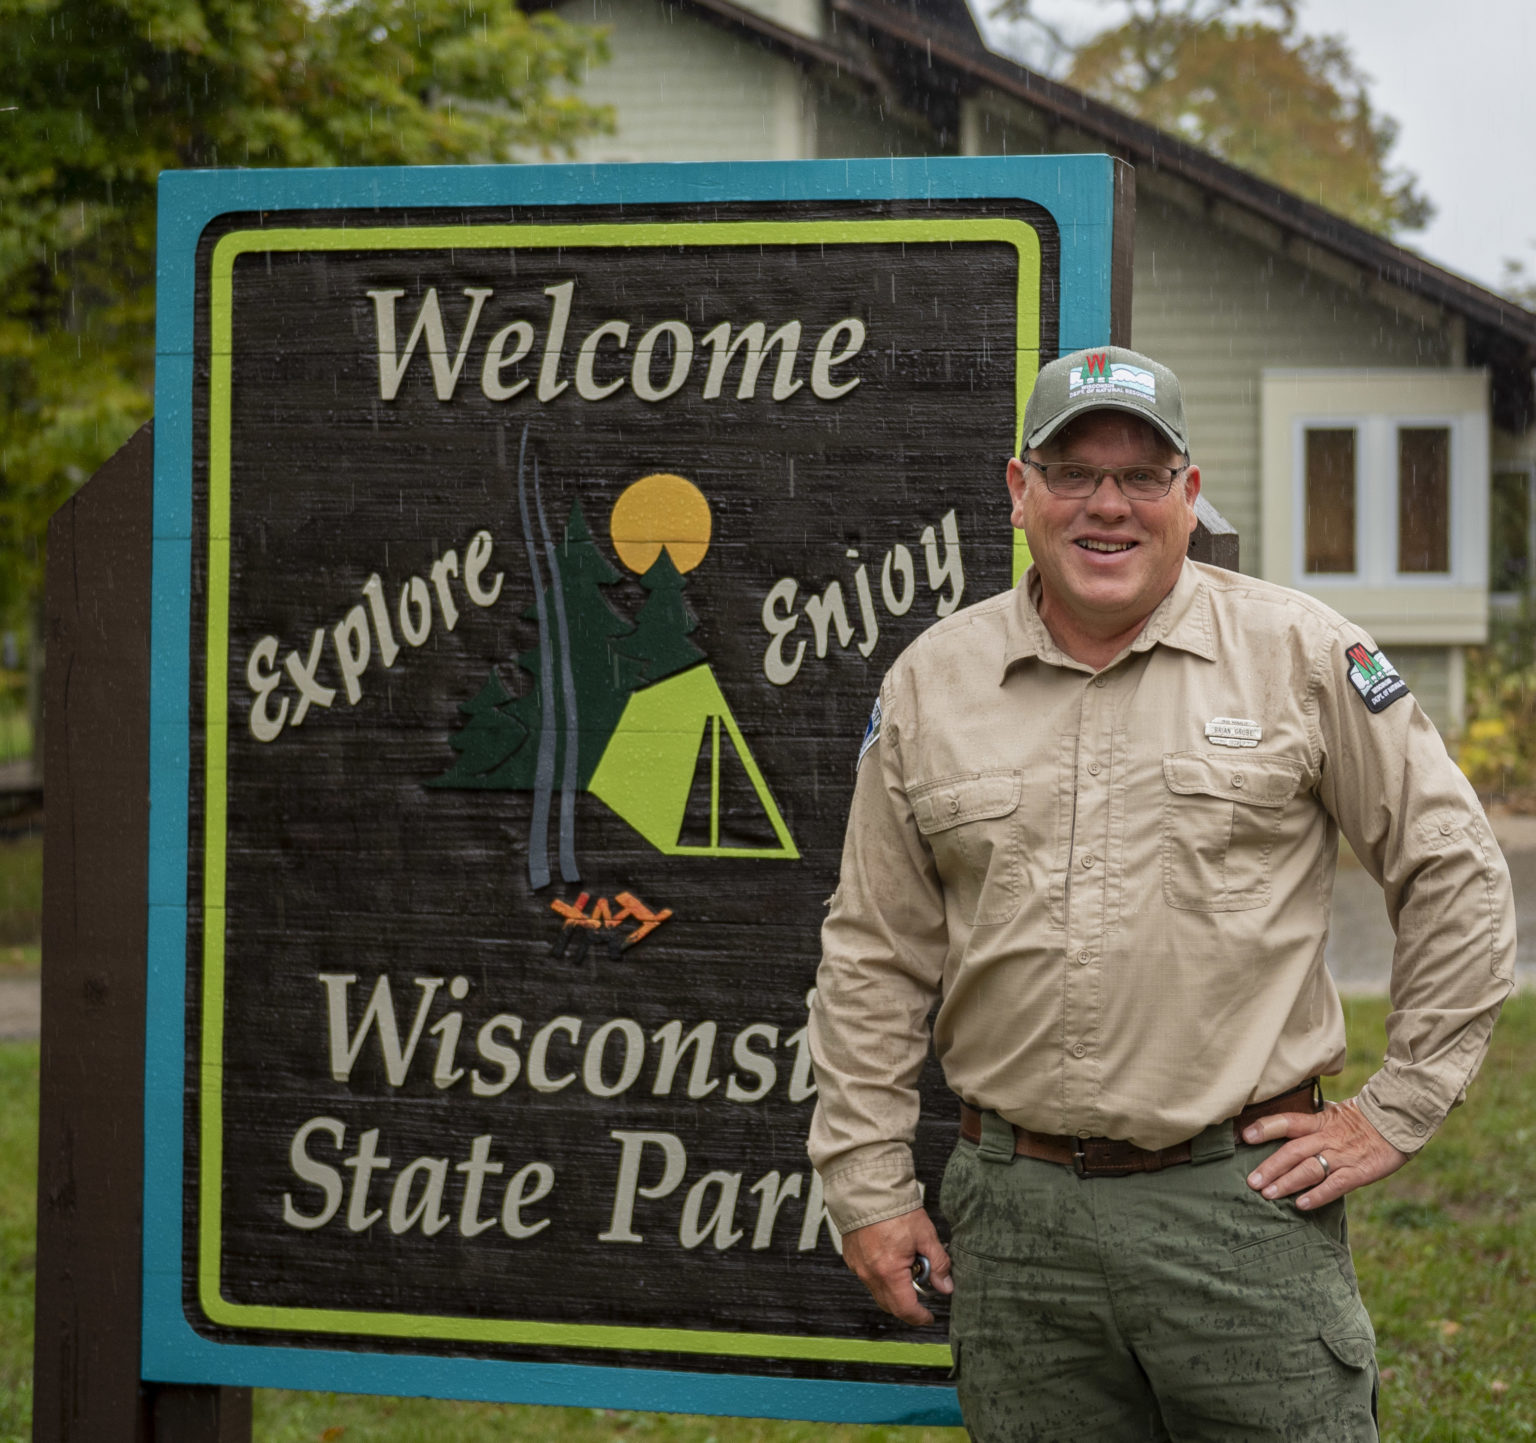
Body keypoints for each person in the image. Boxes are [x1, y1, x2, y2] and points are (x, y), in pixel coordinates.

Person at [807, 346, 1515, 1442]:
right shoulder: (931, 685)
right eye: (1074, 472)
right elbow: (873, 953)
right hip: (1016, 1220)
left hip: (1241, 1214)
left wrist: (1401, 1108)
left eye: (1143, 476)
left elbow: (1453, 869)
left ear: (1189, 494)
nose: (1108, 506)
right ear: (1018, 490)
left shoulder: (1302, 656)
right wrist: (865, 1177)